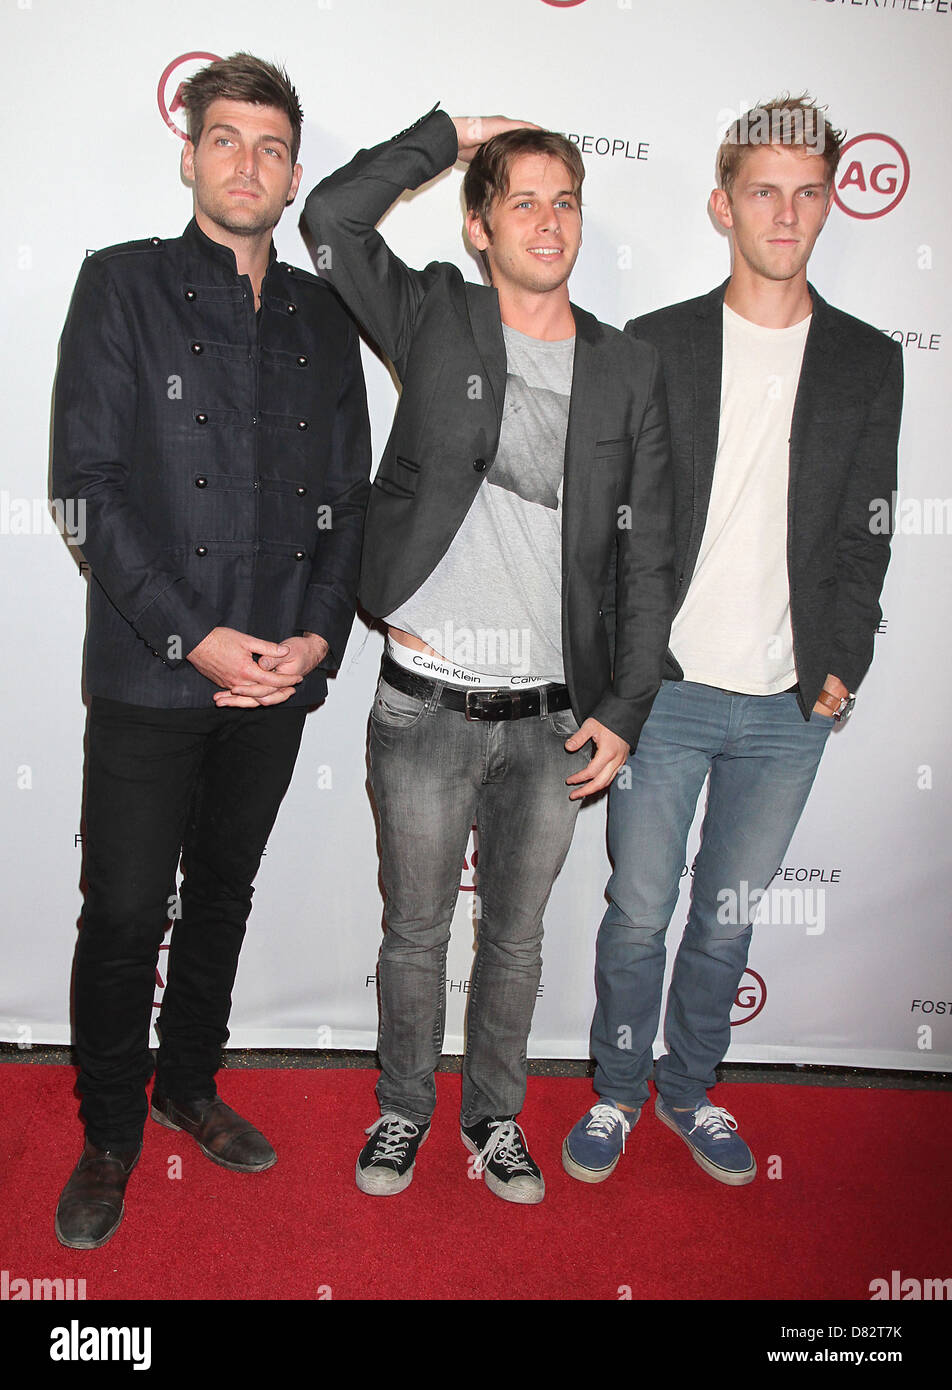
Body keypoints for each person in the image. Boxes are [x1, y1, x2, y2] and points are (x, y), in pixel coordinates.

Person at [304, 105, 674, 1204]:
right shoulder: (434, 317)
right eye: (522, 201)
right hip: (423, 701)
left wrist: (628, 703)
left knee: (513, 942)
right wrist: (445, 135)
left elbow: (647, 553)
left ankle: (495, 1118)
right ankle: (403, 1111)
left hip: (554, 715)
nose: (548, 220)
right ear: (479, 226)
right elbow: (326, 218)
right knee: (414, 931)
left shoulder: (627, 367)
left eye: (565, 201)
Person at [52, 53, 370, 1248]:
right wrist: (193, 638)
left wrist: (319, 636)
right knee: (126, 910)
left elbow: (351, 497)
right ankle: (107, 1131)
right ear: (189, 155)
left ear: (294, 174)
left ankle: (187, 1084)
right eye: (226, 139)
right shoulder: (119, 286)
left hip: (278, 682)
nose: (249, 163)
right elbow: (81, 491)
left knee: (222, 898)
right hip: (149, 669)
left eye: (272, 146)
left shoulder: (322, 313)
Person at [563, 95, 903, 1188]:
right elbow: (609, 524)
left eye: (808, 192)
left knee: (722, 923)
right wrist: (616, 680)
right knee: (637, 913)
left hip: (786, 705)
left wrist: (842, 660)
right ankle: (616, 1093)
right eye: (765, 189)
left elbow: (868, 524)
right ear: (723, 203)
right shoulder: (654, 344)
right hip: (660, 696)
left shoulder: (866, 359)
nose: (788, 211)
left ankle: (689, 1090)